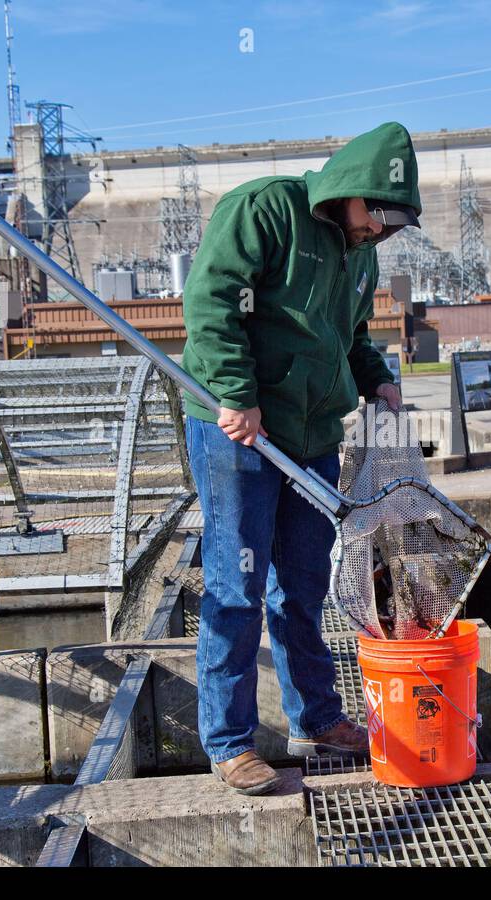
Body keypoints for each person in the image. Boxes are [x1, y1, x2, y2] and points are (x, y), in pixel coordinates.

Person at [180, 121, 420, 795]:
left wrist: (376, 376)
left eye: (395, 222)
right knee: (237, 584)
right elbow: (212, 302)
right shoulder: (265, 210)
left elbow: (350, 335)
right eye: (380, 213)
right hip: (240, 433)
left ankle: (315, 717)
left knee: (303, 585)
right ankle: (228, 742)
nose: (382, 230)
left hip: (312, 439)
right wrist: (234, 391)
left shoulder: (359, 254)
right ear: (352, 190)